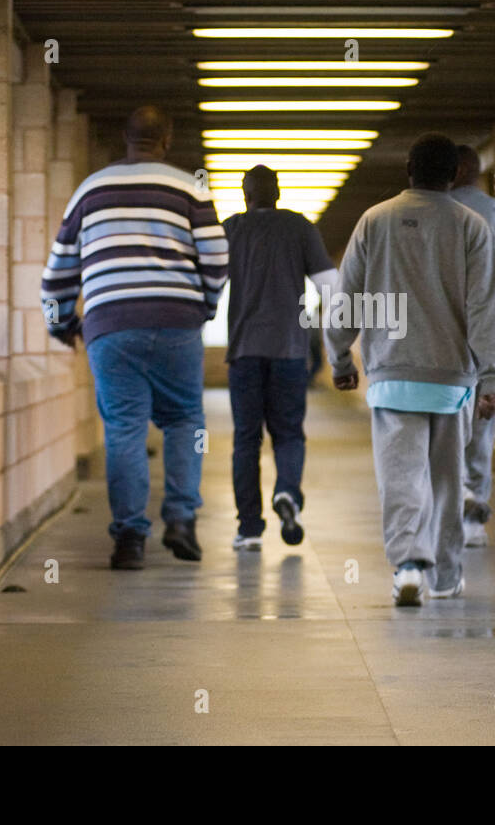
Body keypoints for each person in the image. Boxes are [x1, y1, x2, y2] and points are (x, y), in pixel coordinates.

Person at [40, 105, 227, 570]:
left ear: (126, 140)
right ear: (166, 141)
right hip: (177, 321)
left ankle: (129, 540)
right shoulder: (190, 187)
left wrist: (61, 323)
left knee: (124, 428)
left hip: (110, 325)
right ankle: (182, 518)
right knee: (186, 421)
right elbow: (219, 256)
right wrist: (204, 304)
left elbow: (57, 272)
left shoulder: (89, 189)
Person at [326, 133, 495, 607]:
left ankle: (408, 567)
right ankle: (446, 577)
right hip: (452, 382)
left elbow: (346, 299)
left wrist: (340, 357)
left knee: (401, 478)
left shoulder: (374, 221)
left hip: (391, 377)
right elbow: (487, 308)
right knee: (447, 481)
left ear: (408, 169)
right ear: (454, 175)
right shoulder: (472, 227)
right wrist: (491, 377)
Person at [222, 165, 338, 551]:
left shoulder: (232, 229)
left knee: (246, 440)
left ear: (245, 194)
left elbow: (208, 284)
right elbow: (330, 287)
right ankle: (287, 493)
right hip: (290, 349)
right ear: (279, 193)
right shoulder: (299, 227)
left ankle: (249, 529)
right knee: (288, 434)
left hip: (244, 350)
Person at [450, 144, 495, 547]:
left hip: (450, 330)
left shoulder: (441, 209)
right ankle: (474, 514)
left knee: (445, 420)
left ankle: (453, 500)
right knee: (484, 419)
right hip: (492, 329)